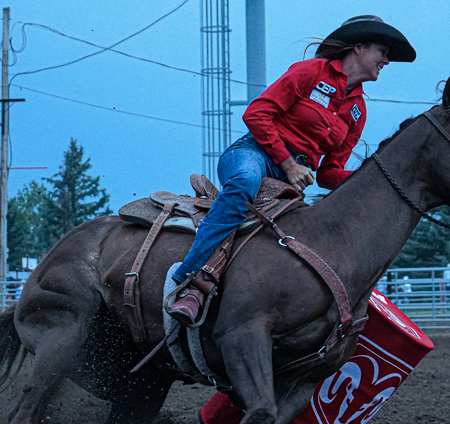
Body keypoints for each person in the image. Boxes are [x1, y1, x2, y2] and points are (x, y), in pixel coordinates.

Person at [168, 15, 416, 324]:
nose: (387, 60)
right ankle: (187, 280)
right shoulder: (311, 72)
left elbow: (329, 173)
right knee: (245, 182)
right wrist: (287, 163)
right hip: (253, 153)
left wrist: (372, 181)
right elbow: (256, 114)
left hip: (290, 182)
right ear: (360, 47)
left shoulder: (358, 110)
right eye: (383, 51)